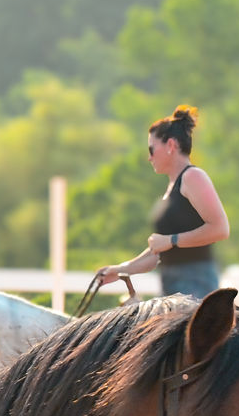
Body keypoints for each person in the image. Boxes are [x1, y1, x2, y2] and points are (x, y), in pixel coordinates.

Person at [96, 104, 228, 300]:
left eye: (151, 149)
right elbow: (159, 251)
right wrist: (121, 269)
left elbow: (220, 229)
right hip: (173, 287)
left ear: (171, 146)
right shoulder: (174, 186)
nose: (149, 157)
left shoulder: (193, 177)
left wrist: (171, 240)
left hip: (196, 287)